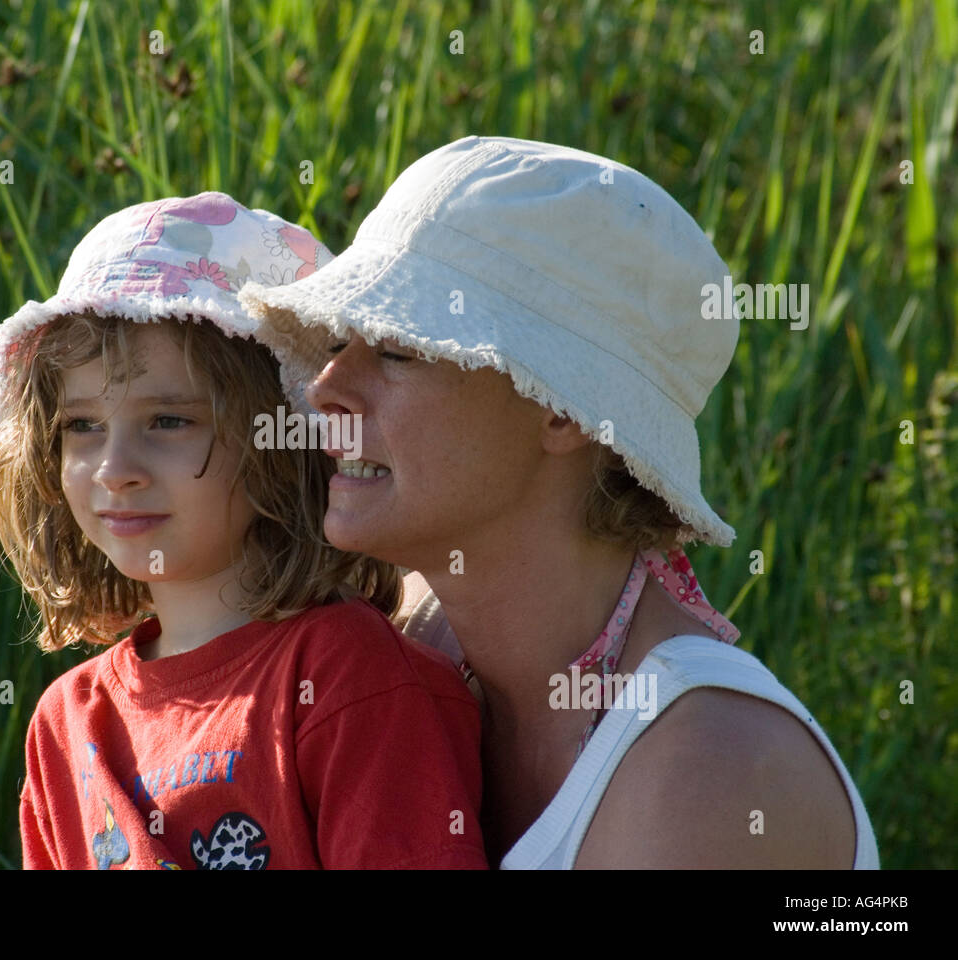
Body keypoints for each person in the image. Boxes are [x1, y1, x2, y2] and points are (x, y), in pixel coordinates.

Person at [240, 137, 880, 869]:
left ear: (564, 411)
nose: (325, 386)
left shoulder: (714, 771)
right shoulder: (389, 635)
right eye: (337, 339)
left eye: (396, 348)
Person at [0, 191, 486, 869]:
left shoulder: (347, 677)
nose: (114, 469)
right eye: (82, 426)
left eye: (168, 421)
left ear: (284, 439)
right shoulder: (65, 723)